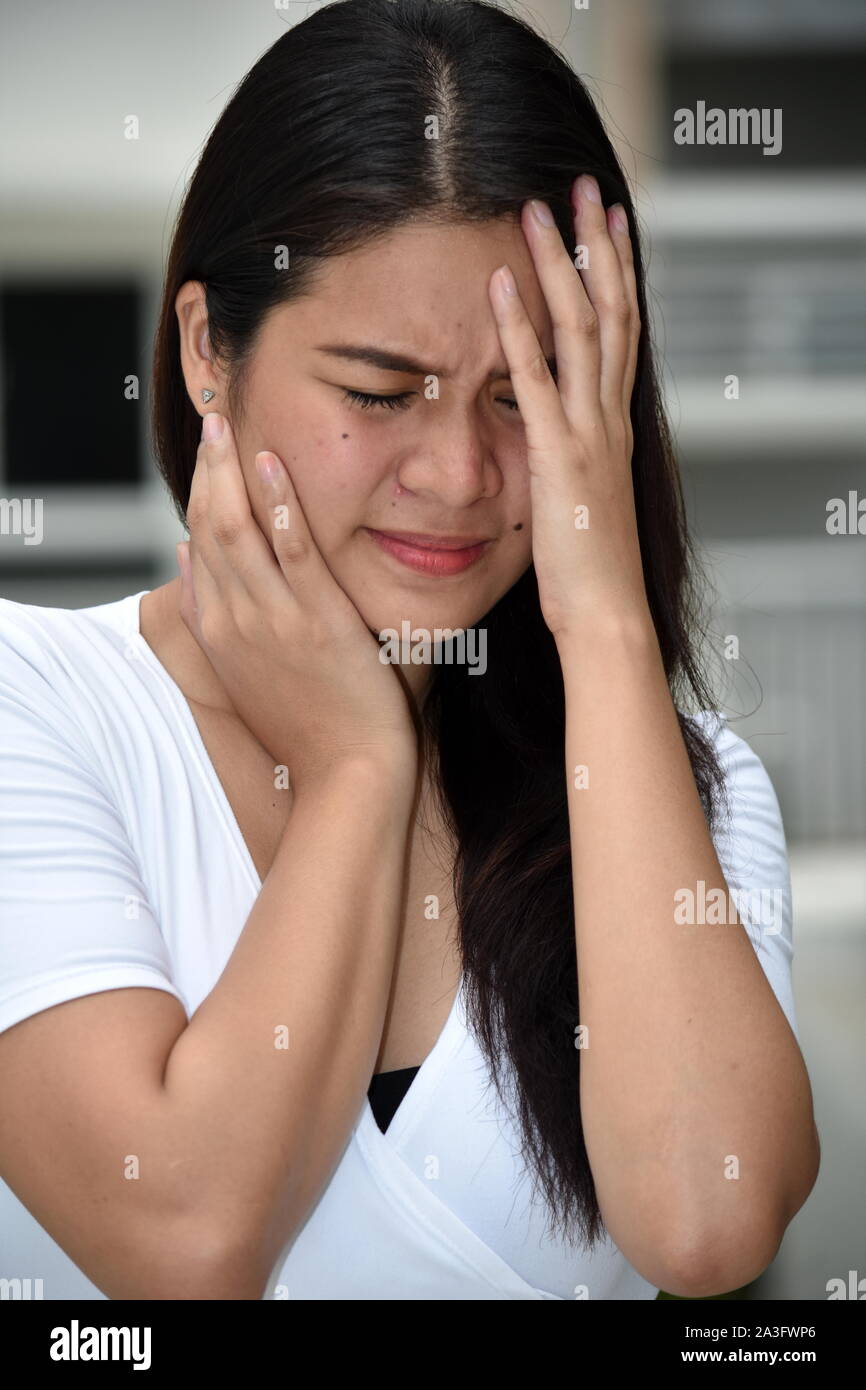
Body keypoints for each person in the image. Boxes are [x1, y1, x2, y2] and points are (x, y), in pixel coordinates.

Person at [0, 0, 818, 1300]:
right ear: (208, 348)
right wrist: (356, 770)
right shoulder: (32, 708)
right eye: (379, 392)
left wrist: (603, 627)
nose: (456, 474)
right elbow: (183, 1243)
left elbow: (708, 1227)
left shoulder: (683, 784)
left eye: (525, 393)